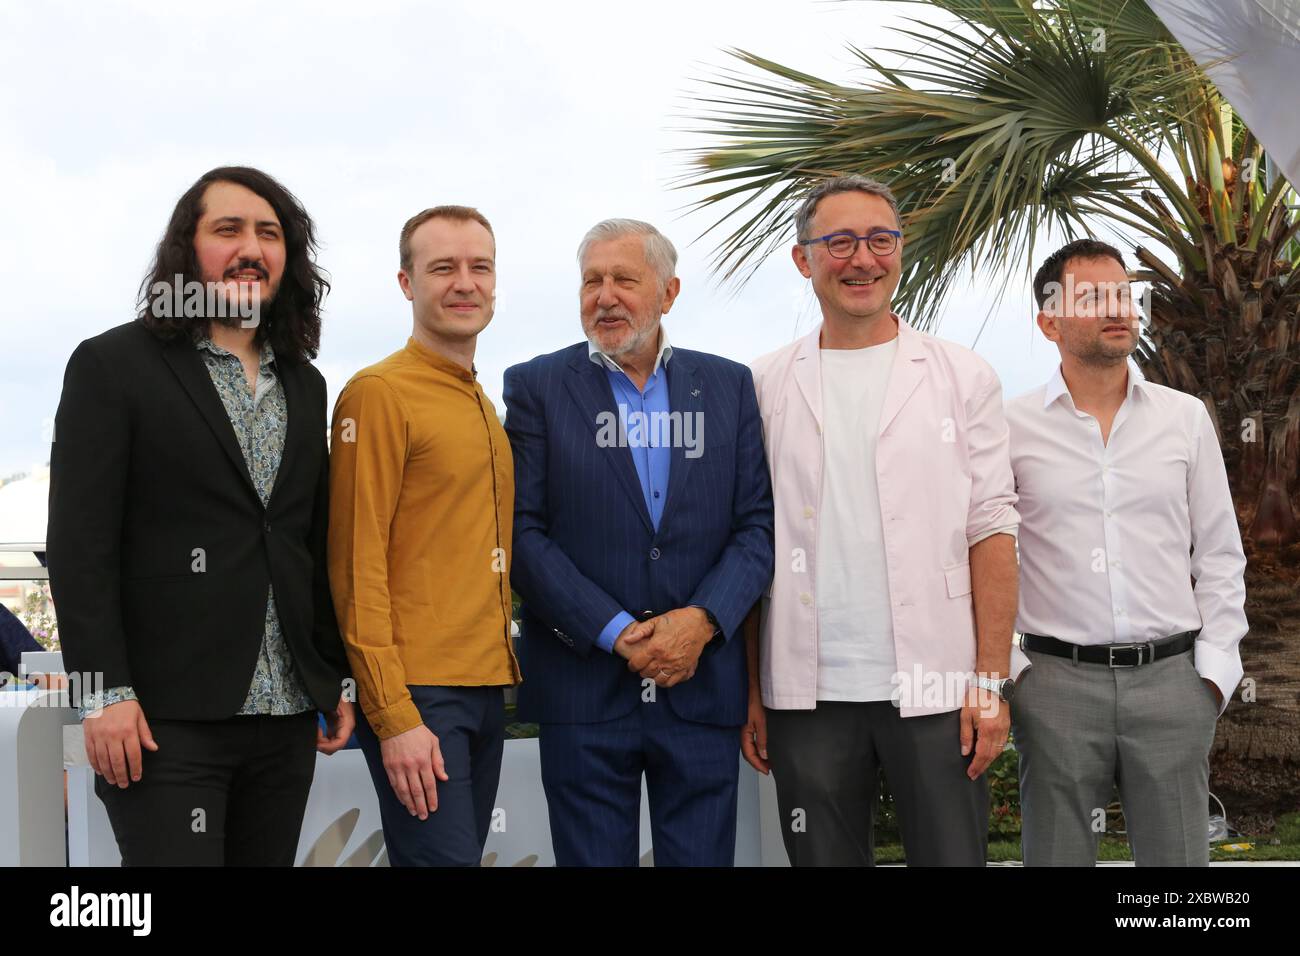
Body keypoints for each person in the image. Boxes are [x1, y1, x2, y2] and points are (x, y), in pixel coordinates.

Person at [47, 166, 355, 866]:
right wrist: (102, 697)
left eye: (269, 234)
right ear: (187, 249)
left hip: (283, 720)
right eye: (229, 229)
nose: (251, 247)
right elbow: (78, 547)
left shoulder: (304, 383)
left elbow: (304, 541)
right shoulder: (112, 365)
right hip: (160, 722)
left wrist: (329, 675)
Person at [746, 175, 1020, 866]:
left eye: (879, 239)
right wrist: (751, 688)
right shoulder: (762, 384)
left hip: (939, 687)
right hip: (807, 694)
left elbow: (992, 529)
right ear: (803, 259)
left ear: (901, 250)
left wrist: (990, 682)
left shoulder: (964, 376)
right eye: (838, 241)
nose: (861, 259)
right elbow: (749, 540)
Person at [504, 219, 774, 866]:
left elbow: (757, 526)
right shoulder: (536, 387)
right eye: (591, 281)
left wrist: (702, 622)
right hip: (585, 690)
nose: (605, 296)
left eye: (624, 279)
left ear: (669, 291)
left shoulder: (729, 387)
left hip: (701, 685)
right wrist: (617, 630)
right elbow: (522, 532)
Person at [1007, 238, 1247, 866]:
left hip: (1174, 683)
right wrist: (1014, 673)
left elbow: (1219, 551)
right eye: (1092, 296)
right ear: (1049, 321)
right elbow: (985, 553)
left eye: (1123, 294)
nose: (1118, 308)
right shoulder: (1009, 427)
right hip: (1053, 686)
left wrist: (1215, 673)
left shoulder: (1184, 418)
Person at [328, 206, 518, 866]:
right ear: (407, 283)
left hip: (487, 688)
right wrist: (394, 714)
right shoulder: (378, 393)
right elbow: (355, 565)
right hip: (421, 696)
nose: (465, 282)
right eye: (443, 268)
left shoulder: (480, 402)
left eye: (480, 267)